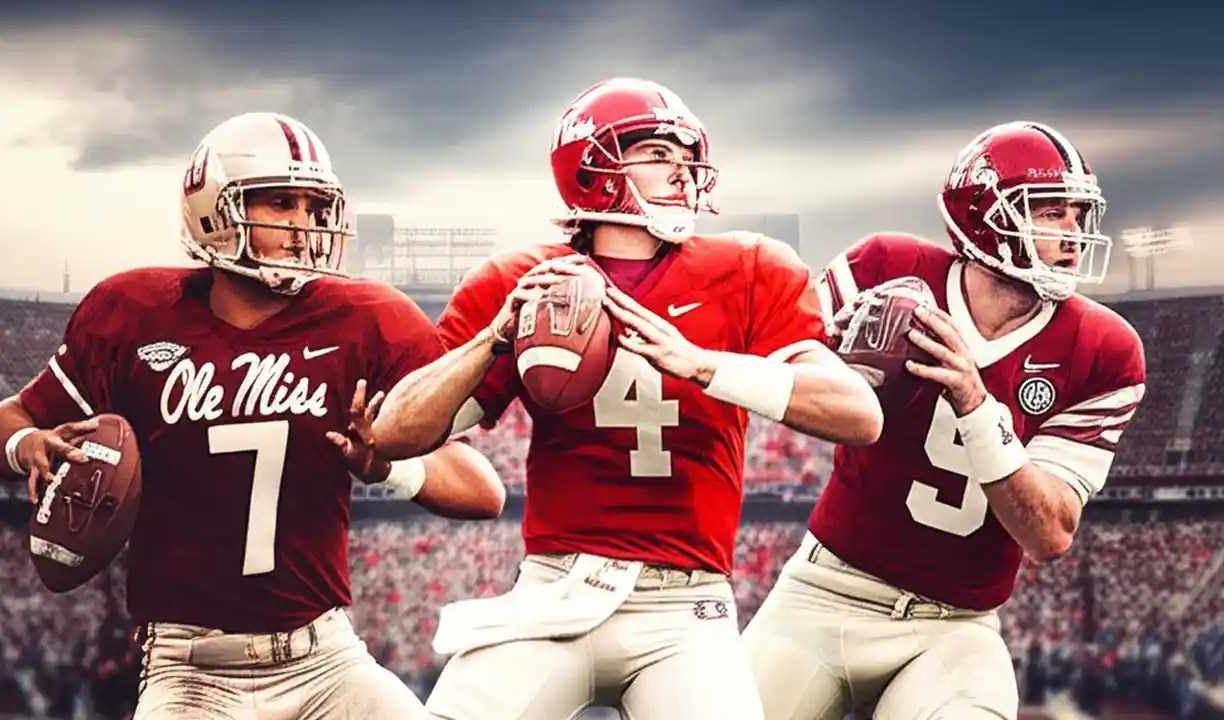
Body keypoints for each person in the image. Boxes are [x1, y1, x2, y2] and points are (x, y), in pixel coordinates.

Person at [371, 77, 883, 720]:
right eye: (658, 152)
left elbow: (859, 414)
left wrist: (705, 366)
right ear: (592, 168)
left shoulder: (752, 269)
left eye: (686, 154)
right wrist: (494, 338)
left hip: (687, 607)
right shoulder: (521, 281)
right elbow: (394, 434)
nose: (683, 170)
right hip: (556, 588)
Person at [0, 111, 505, 720]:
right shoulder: (133, 313)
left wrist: (384, 466)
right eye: (281, 204)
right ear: (214, 212)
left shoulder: (368, 320)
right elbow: (3, 426)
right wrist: (30, 444)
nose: (304, 226)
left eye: (314, 208)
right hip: (191, 668)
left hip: (325, 659)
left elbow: (484, 490)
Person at [742, 121, 1147, 719]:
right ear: (988, 217)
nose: (1074, 235)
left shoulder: (1103, 349)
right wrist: (830, 360)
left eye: (1078, 216)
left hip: (957, 627)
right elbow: (776, 362)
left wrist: (975, 403)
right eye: (1052, 213)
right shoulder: (885, 267)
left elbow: (1050, 535)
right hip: (824, 595)